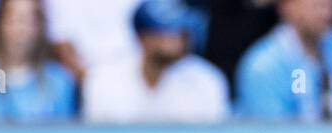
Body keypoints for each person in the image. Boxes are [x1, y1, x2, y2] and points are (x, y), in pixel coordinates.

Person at [84, 0, 229, 125]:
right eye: (167, 31)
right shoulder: (103, 79)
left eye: (180, 30)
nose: (177, 39)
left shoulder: (206, 79)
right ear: (142, 36)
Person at [236, 0, 332, 121]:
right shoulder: (264, 66)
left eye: (331, 2)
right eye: (316, 3)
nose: (326, 11)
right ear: (286, 6)